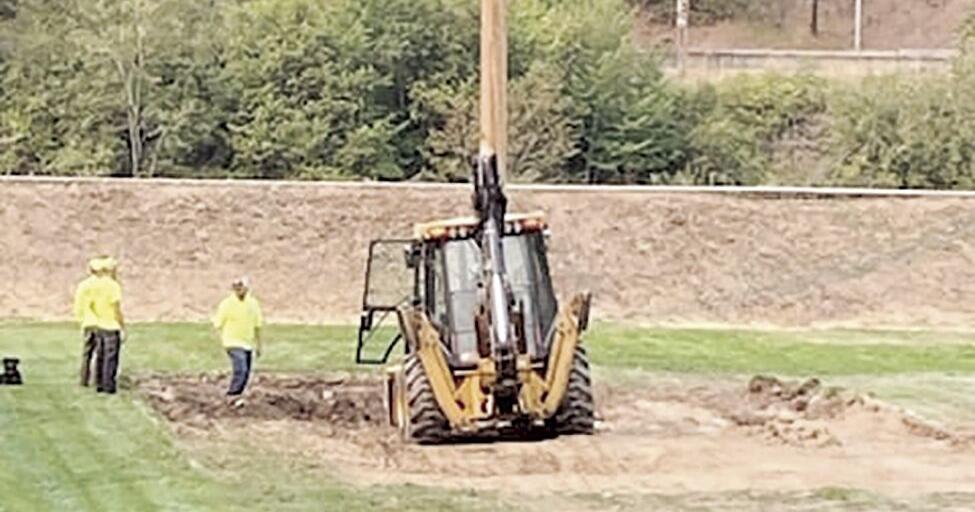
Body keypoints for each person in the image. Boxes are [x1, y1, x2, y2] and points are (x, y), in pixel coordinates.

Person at [212, 277, 263, 397]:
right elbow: (218, 323)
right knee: (241, 369)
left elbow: (257, 325)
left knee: (246, 372)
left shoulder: (253, 304)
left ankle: (238, 394)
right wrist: (221, 341)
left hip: (248, 343)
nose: (238, 290)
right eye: (236, 288)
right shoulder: (227, 304)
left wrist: (259, 345)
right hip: (232, 342)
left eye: (241, 287)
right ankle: (232, 394)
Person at [89, 256, 126, 394]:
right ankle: (108, 385)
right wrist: (122, 326)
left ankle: (99, 383)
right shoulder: (113, 286)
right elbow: (116, 308)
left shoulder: (96, 285)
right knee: (111, 358)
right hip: (111, 325)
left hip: (100, 324)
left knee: (100, 355)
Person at [73, 257, 103, 387]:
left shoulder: (83, 285)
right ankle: (98, 380)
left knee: (86, 353)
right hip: (101, 322)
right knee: (100, 353)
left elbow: (78, 304)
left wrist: (80, 319)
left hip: (87, 322)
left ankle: (83, 380)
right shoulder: (104, 285)